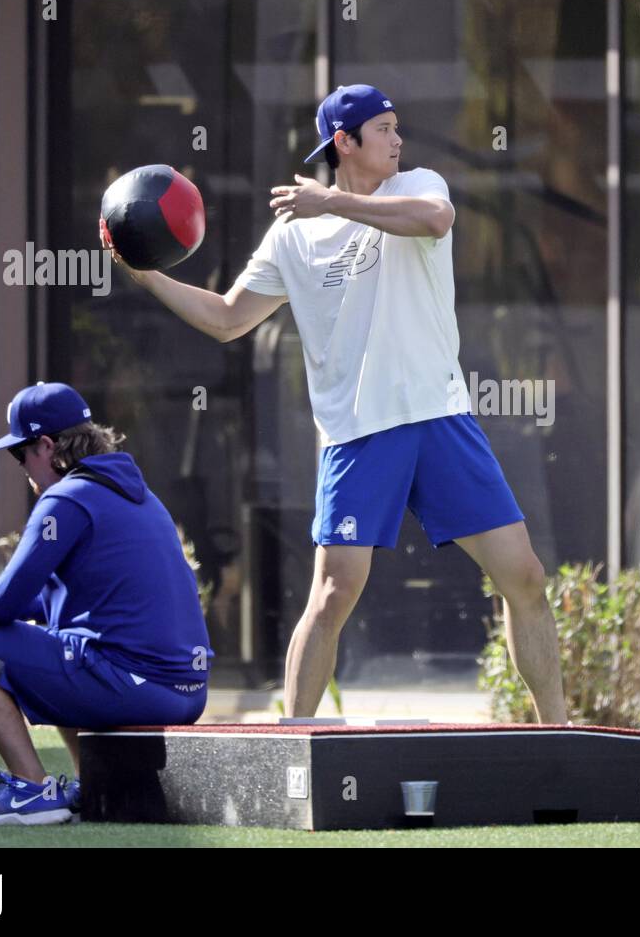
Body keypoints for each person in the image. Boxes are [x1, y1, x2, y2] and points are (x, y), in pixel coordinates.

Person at [103, 84, 567, 723]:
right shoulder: (292, 236)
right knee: (331, 595)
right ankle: (293, 745)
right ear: (344, 142)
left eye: (398, 127)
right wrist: (144, 271)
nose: (399, 140)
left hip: (440, 419)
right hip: (357, 436)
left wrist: (334, 201)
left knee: (526, 578)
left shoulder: (418, 186)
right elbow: (228, 319)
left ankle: (557, 731)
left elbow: (436, 222)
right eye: (384, 129)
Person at [0, 382, 212, 824]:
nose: (22, 468)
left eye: (20, 454)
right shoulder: (137, 493)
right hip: (184, 693)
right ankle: (91, 786)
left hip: (136, 688)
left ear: (46, 445)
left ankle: (32, 790)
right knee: (63, 640)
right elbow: (59, 601)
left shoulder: (65, 497)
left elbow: (2, 606)